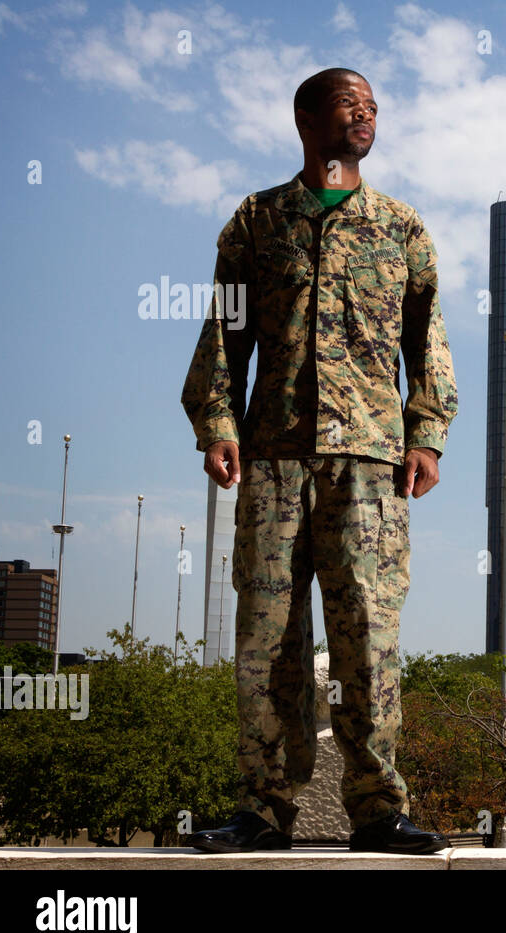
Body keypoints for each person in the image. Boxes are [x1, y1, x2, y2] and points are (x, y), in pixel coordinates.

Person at [180, 67, 457, 854]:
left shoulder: (401, 227)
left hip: (369, 463)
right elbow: (225, 333)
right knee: (268, 639)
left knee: (368, 635)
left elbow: (427, 341)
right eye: (349, 104)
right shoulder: (258, 221)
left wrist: (427, 432)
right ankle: (263, 811)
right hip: (272, 459)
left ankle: (377, 811)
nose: (365, 115)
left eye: (372, 106)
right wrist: (217, 422)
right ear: (305, 120)